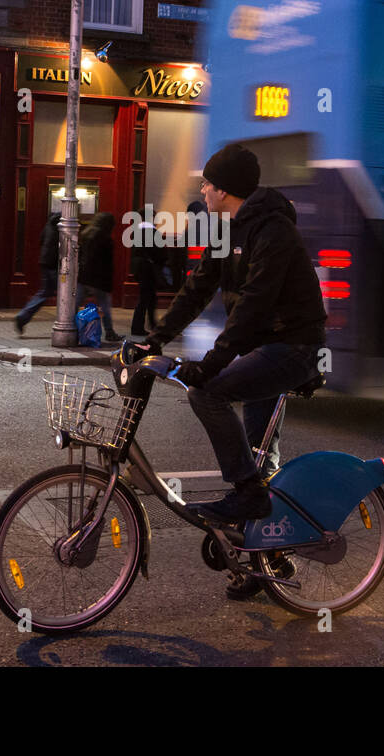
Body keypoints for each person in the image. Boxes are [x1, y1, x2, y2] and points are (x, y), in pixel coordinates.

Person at [140, 144, 327, 544]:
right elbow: (197, 290)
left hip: (292, 347)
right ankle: (267, 555)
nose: (203, 191)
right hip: (262, 347)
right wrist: (151, 341)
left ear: (223, 190)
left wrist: (211, 363)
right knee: (259, 461)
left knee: (206, 393)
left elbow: (254, 304)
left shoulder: (274, 230)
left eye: (207, 184)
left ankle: (246, 493)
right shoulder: (226, 230)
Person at [77, 212, 121, 343]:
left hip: (84, 276)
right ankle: (109, 332)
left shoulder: (86, 235)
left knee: (75, 303)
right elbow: (106, 263)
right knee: (105, 306)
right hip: (99, 279)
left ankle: (73, 329)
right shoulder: (105, 239)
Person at [15, 212, 62, 335]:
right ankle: (69, 325)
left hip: (45, 262)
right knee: (69, 295)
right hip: (53, 265)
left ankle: (23, 316)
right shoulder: (60, 229)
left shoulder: (48, 225)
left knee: (45, 293)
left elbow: (41, 240)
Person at [129, 214, 164, 336]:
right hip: (149, 269)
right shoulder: (152, 232)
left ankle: (150, 325)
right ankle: (139, 327)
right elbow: (159, 252)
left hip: (139, 267)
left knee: (148, 298)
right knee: (146, 298)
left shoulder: (136, 231)